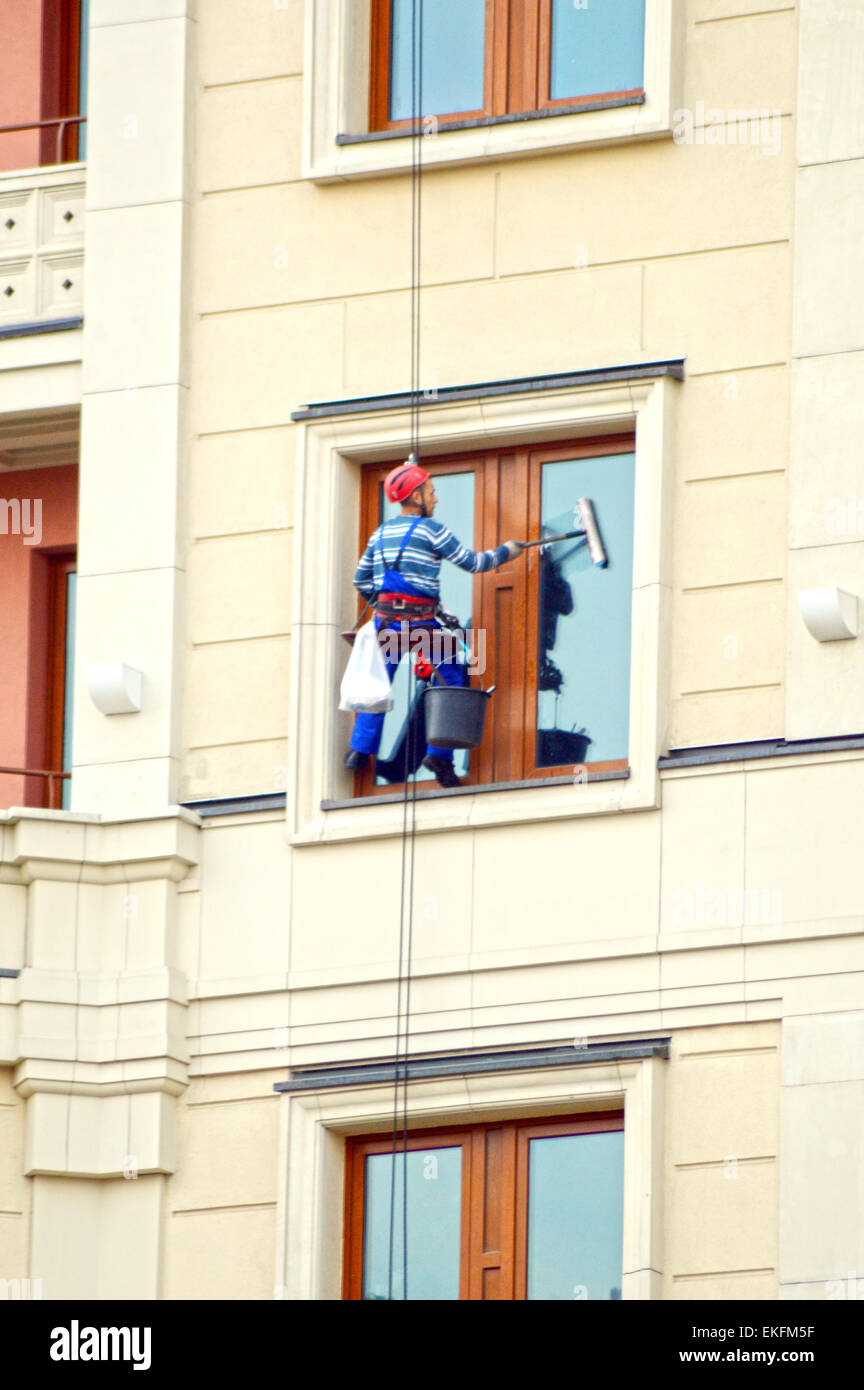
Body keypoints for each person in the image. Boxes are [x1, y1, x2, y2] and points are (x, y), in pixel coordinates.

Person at [346, 457, 526, 788]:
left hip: (387, 624)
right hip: (422, 626)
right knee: (452, 678)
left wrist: (385, 605)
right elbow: (473, 563)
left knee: (376, 687)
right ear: (415, 496)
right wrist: (506, 552)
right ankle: (440, 756)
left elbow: (360, 580)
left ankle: (359, 751)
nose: (436, 498)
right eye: (430, 491)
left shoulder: (380, 533)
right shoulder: (432, 530)